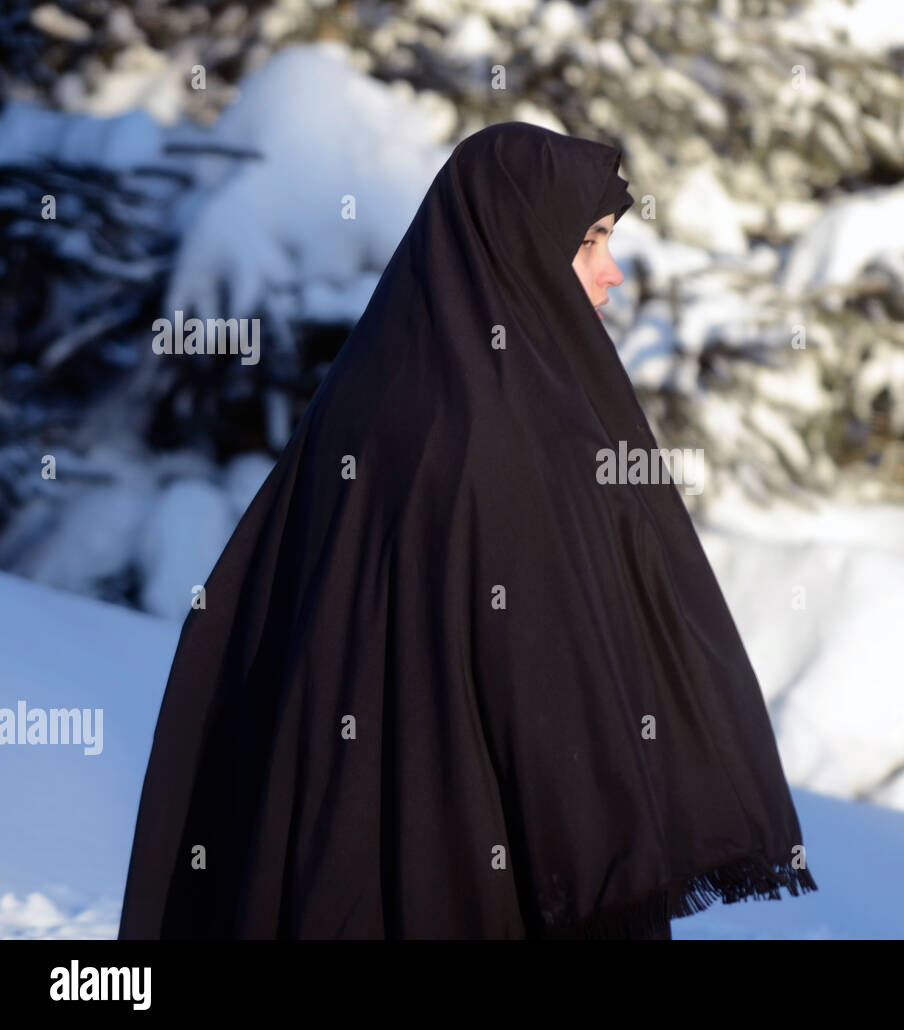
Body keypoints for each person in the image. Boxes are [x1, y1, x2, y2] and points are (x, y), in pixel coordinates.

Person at [117, 121, 816, 940]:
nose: (611, 272)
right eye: (588, 240)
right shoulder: (510, 426)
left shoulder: (378, 385)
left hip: (349, 867)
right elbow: (552, 695)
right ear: (515, 241)